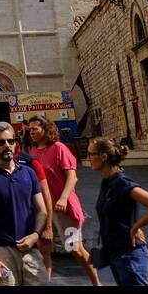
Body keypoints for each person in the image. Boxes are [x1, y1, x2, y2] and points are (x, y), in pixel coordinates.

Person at [86, 137, 148, 285]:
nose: (88, 159)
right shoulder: (107, 182)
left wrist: (136, 226)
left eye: (91, 154)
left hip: (129, 255)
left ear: (103, 156)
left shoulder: (122, 183)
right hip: (115, 253)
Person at [0, 122, 47, 285]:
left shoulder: (29, 173)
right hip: (1, 250)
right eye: (1, 142)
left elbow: (41, 210)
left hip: (30, 248)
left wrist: (35, 235)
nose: (7, 145)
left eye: (10, 141)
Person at [27, 116, 98, 284]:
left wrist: (64, 198)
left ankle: (97, 283)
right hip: (44, 208)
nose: (31, 132)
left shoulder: (59, 148)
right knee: (44, 248)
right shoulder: (33, 151)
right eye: (30, 130)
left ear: (45, 129)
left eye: (35, 129)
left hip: (63, 208)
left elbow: (72, 177)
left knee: (76, 249)